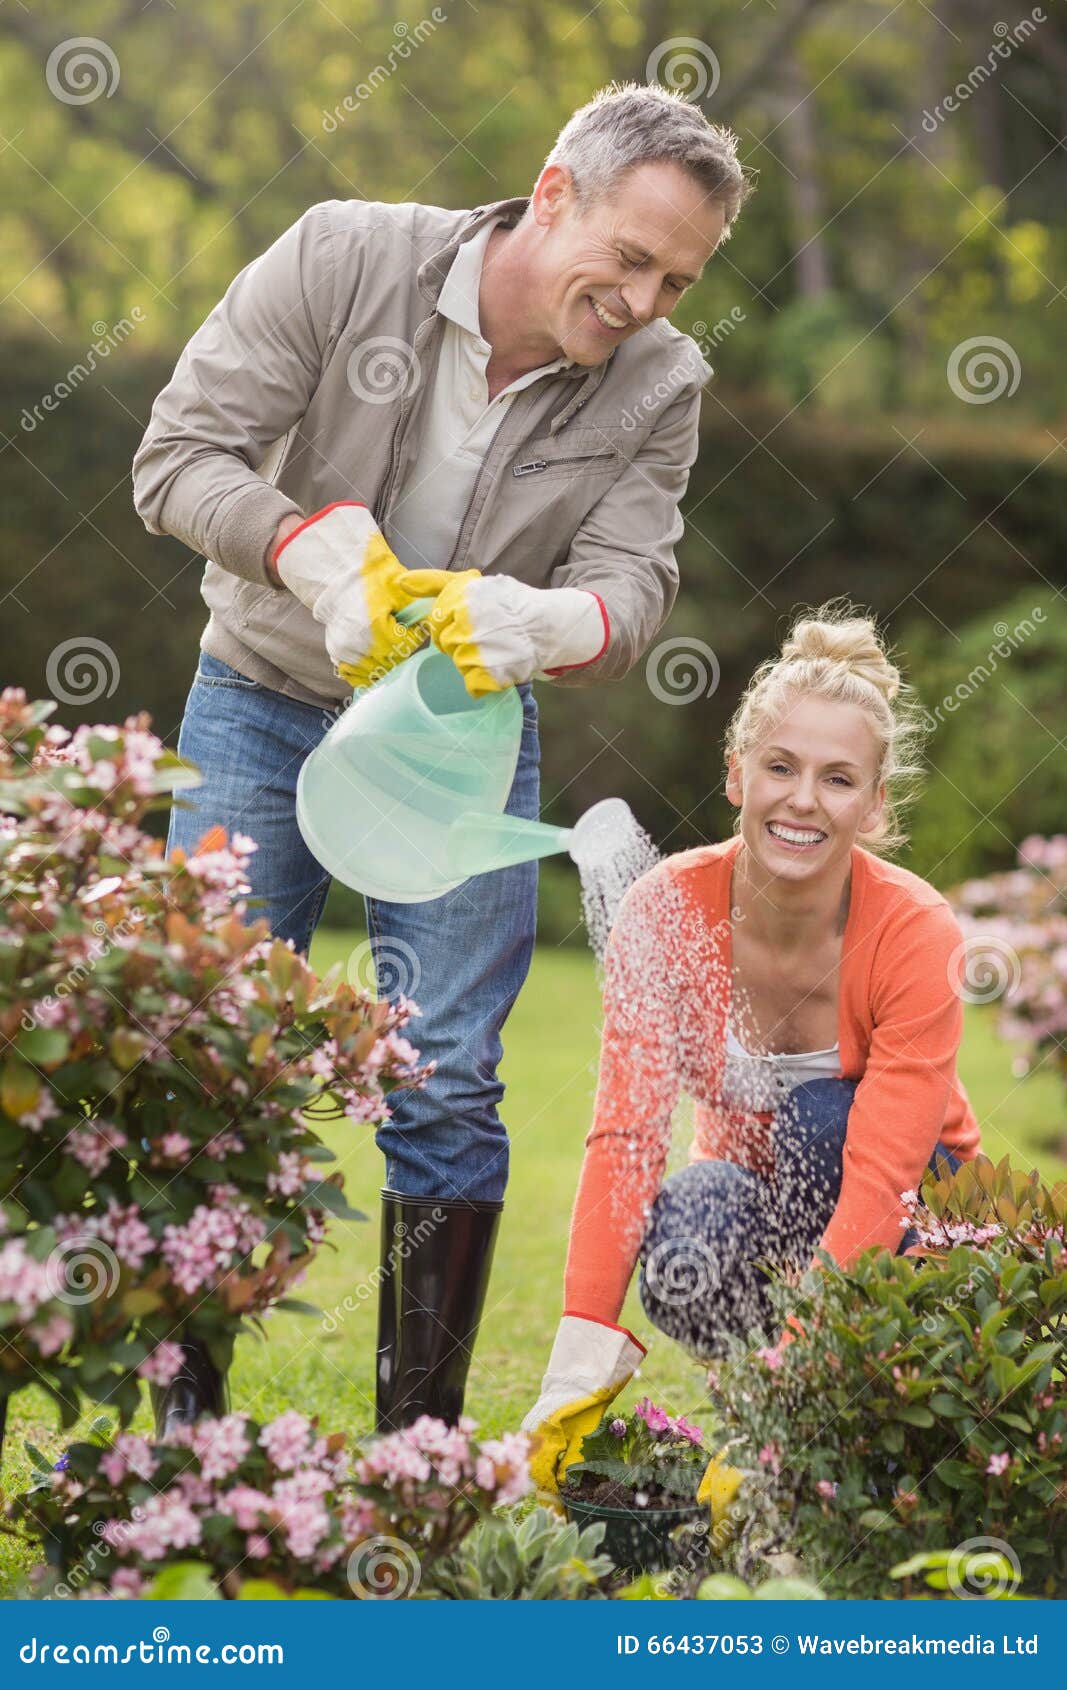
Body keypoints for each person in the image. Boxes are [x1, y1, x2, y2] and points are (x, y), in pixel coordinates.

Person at [130, 83, 751, 1436]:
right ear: (548, 195)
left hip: (463, 738)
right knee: (210, 1047)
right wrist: (308, 554)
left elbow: (630, 583)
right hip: (261, 691)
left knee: (448, 1071)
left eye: (676, 278)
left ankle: (418, 1454)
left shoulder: (660, 379)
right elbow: (178, 457)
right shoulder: (342, 258)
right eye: (628, 258)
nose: (645, 300)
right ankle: (186, 1445)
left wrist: (548, 620)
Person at [522, 606, 981, 1501]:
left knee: (819, 1119)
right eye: (780, 766)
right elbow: (625, 1140)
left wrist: (796, 1371)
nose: (803, 799)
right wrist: (575, 1361)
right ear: (737, 775)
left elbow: (884, 1170)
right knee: (696, 1214)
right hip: (771, 1215)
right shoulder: (664, 912)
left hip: (916, 1224)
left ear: (875, 803)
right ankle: (760, 1426)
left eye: (838, 778)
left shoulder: (914, 931)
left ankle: (823, 1411)